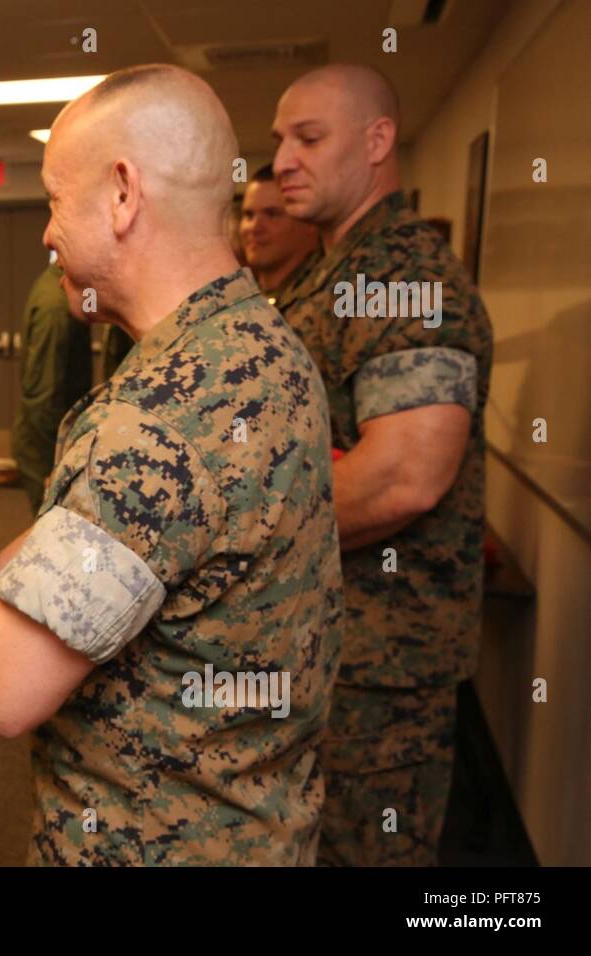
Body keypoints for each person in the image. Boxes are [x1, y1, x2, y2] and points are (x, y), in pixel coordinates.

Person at [0, 64, 343, 866]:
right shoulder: (258, 344)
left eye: (52, 198)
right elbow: (77, 546)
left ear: (121, 194)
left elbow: (7, 689)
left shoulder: (162, 412)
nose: (45, 231)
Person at [272, 64, 493, 866]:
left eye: (308, 137)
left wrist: (246, 530)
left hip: (378, 665)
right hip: (325, 648)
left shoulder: (403, 276)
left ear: (377, 141)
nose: (283, 159)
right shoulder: (332, 271)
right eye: (279, 140)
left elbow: (404, 476)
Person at [11, 262, 92, 512]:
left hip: (51, 440)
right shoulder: (56, 308)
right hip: (45, 445)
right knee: (48, 531)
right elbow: (44, 395)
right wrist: (54, 464)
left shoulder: (59, 288)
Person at [239, 163, 319, 305]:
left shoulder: (326, 296)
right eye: (248, 215)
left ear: (309, 222)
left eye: (272, 214)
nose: (254, 227)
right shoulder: (240, 301)